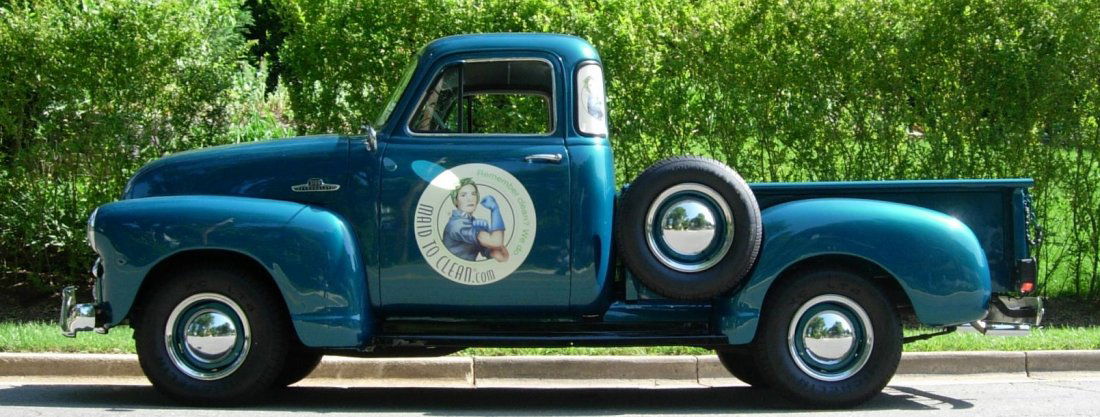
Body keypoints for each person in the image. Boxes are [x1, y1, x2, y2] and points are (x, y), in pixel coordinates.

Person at [442, 178, 509, 262]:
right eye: (463, 195)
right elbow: (496, 242)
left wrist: (485, 232)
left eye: (473, 194)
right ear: (456, 201)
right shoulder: (457, 225)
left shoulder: (472, 222)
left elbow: (501, 257)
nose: (470, 199)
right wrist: (495, 211)